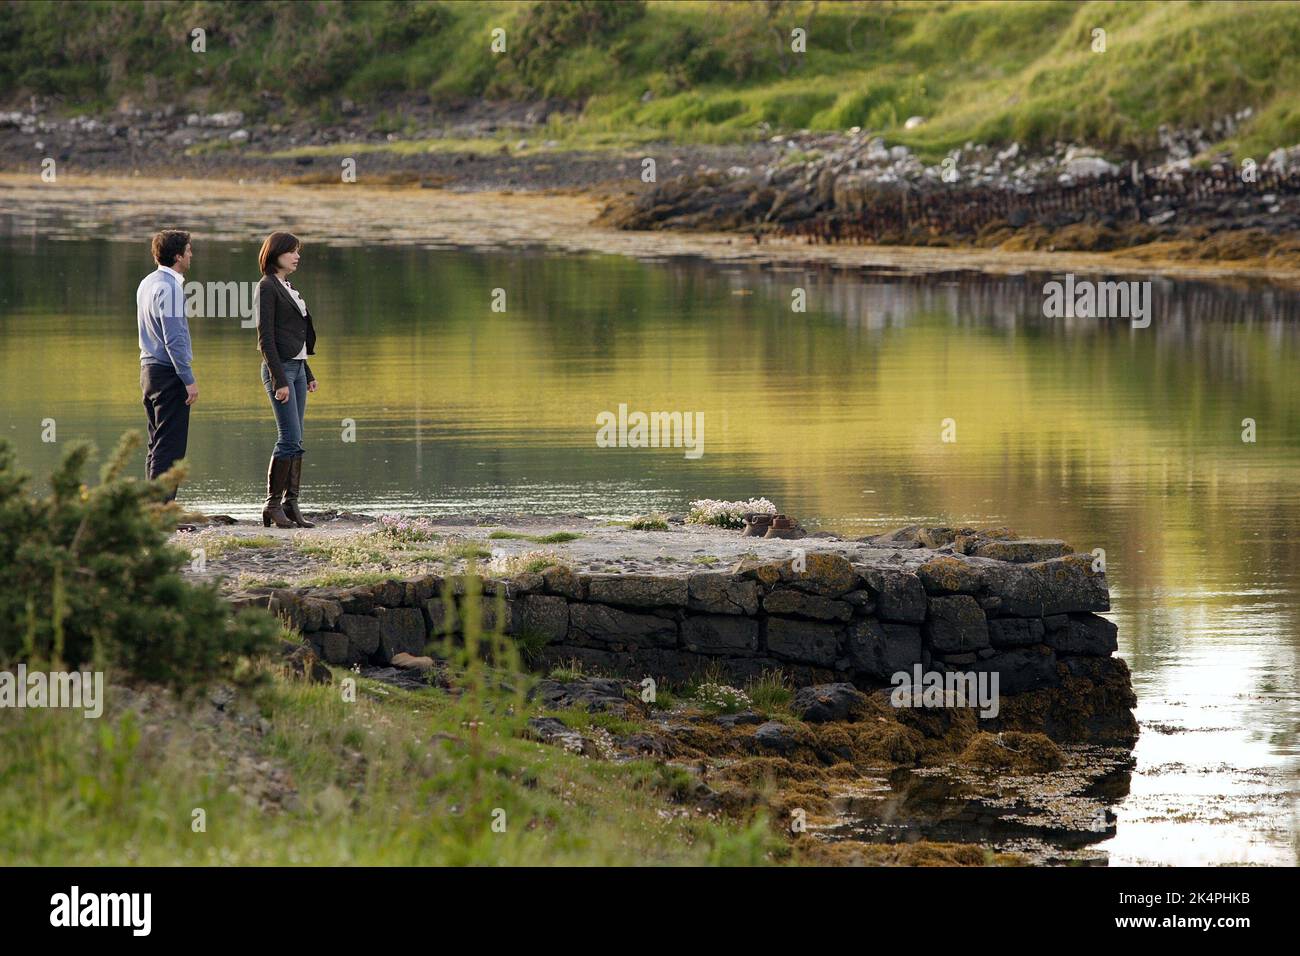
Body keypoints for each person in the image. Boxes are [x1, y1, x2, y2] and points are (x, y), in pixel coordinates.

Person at [255, 231, 318, 528]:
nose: (297, 256)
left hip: (296, 368)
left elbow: (297, 337)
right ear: (276, 253)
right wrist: (280, 380)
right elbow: (266, 338)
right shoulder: (267, 287)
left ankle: (291, 504)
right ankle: (272, 504)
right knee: (288, 438)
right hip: (278, 370)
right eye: (292, 251)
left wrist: (307, 373)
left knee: (298, 438)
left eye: (298, 251)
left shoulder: (288, 287)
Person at [137, 229, 197, 502]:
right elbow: (174, 339)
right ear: (177, 256)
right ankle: (161, 511)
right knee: (170, 446)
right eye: (188, 250)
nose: (191, 254)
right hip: (168, 372)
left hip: (148, 372)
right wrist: (188, 378)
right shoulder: (170, 287)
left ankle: (153, 508)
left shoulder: (147, 282)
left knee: (156, 443)